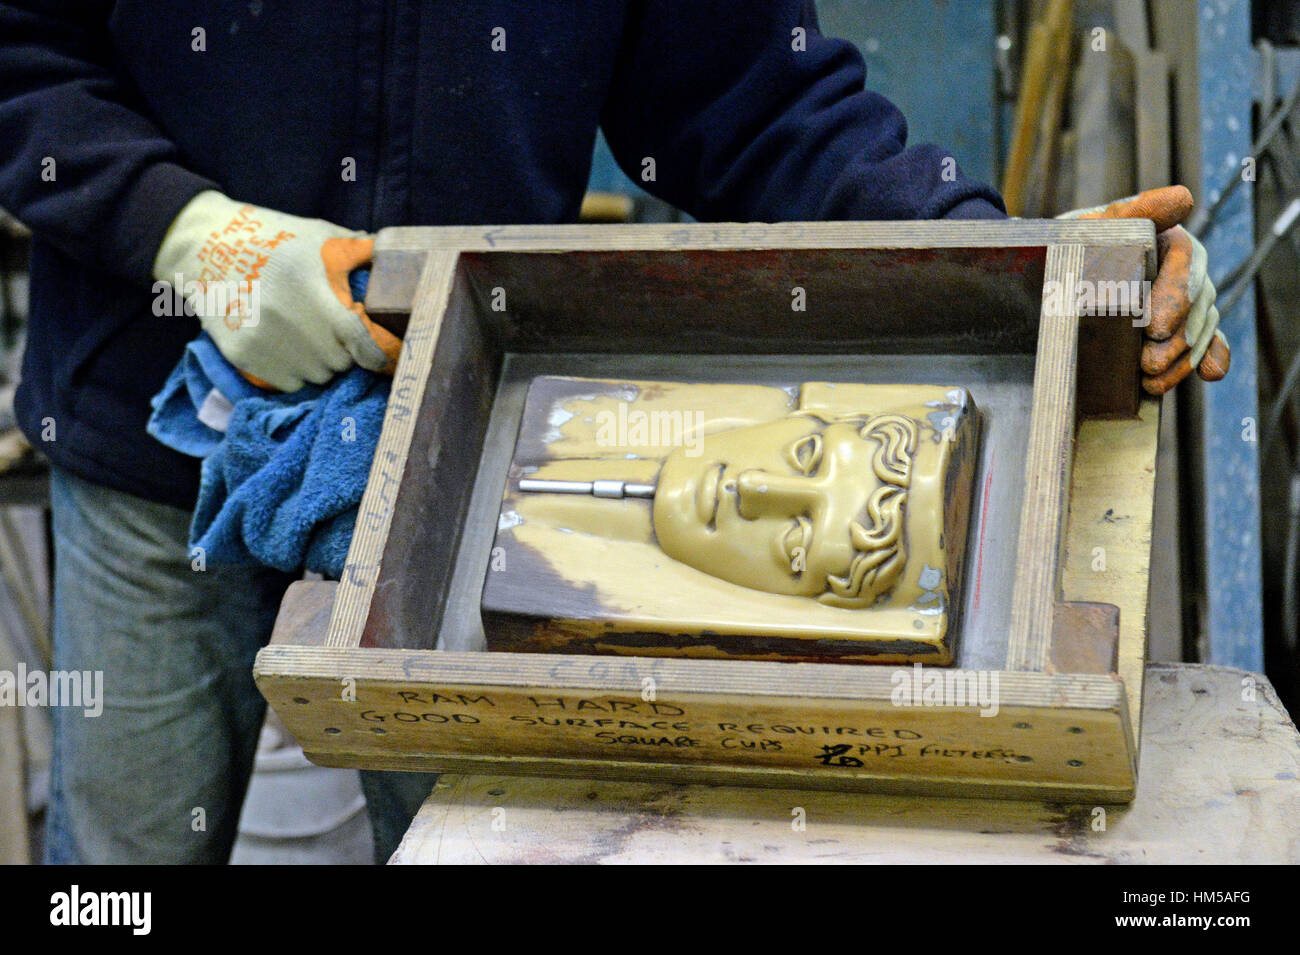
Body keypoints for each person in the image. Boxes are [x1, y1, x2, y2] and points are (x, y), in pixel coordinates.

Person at [0, 1, 1226, 864]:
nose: (770, 506)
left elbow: (757, 102)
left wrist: (1020, 259)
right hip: (153, 423)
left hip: (462, 461)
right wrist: (186, 236)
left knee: (467, 846)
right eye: (808, 469)